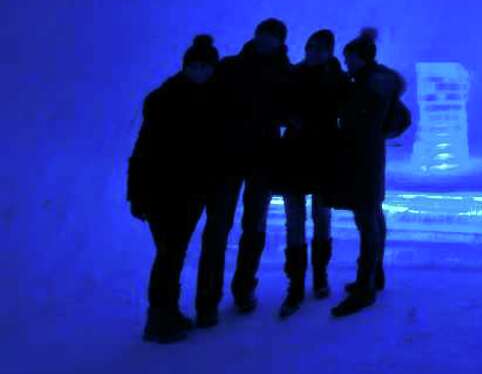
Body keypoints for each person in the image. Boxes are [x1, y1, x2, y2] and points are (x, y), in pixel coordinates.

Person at [127, 34, 220, 343]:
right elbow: (144, 149)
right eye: (196, 65)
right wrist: (137, 193)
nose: (201, 71)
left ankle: (167, 310)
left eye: (206, 66)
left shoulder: (208, 100)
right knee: (169, 254)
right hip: (163, 191)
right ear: (186, 66)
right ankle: (158, 319)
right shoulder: (164, 99)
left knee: (173, 254)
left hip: (191, 192)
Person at [326, 28, 411, 317]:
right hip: (370, 155)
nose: (346, 62)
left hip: (361, 157)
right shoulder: (378, 82)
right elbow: (397, 119)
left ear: (360, 58)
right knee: (372, 213)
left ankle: (365, 287)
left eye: (349, 57)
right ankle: (374, 274)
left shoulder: (367, 86)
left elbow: (356, 123)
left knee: (366, 217)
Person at [216, 17, 293, 314]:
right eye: (263, 33)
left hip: (262, 159)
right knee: (221, 225)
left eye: (271, 36)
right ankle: (210, 296)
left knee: (252, 226)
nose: (266, 40)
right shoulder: (230, 67)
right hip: (230, 157)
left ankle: (243, 288)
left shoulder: (286, 74)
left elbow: (293, 112)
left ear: (280, 41)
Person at [274, 29, 347, 318]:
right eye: (310, 47)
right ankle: (299, 282)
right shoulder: (304, 75)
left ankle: (316, 277)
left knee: (318, 218)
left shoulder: (334, 79)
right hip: (300, 156)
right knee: (299, 220)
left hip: (317, 156)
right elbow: (277, 107)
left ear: (329, 51)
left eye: (319, 48)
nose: (313, 52)